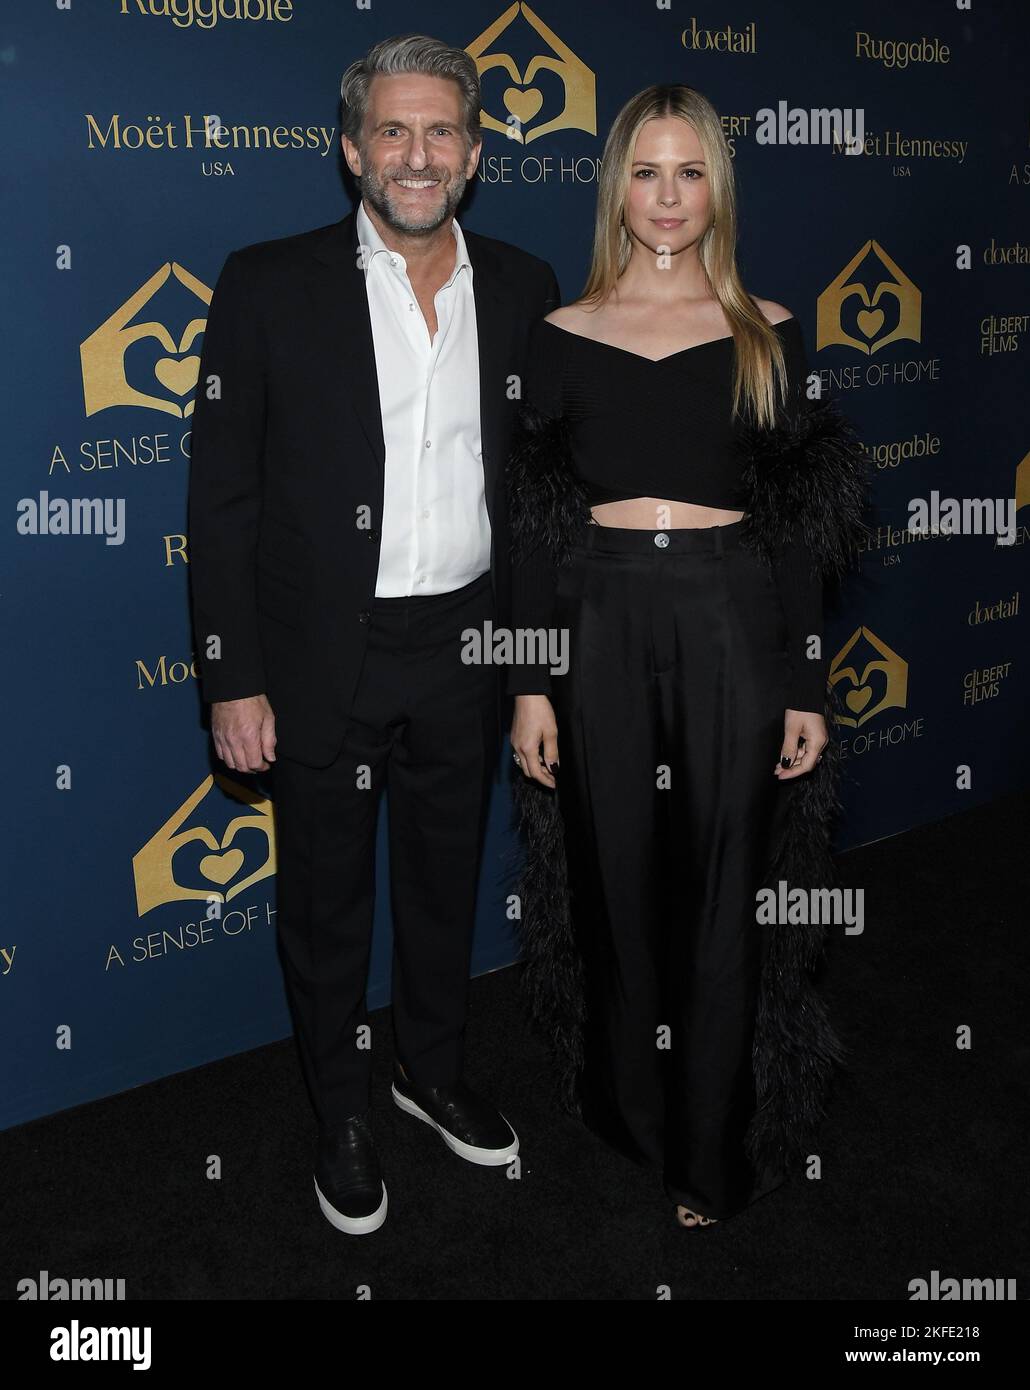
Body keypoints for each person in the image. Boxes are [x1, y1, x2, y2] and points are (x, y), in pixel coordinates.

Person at [188, 34, 559, 1235]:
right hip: (320, 657)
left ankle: (430, 1068)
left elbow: (543, 501)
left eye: (440, 131)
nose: (416, 155)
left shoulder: (522, 284)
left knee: (446, 882)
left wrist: (533, 667)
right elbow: (222, 499)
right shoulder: (265, 281)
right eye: (391, 132)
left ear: (474, 153)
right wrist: (232, 679)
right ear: (352, 149)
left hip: (469, 645)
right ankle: (341, 1106)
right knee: (328, 904)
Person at [507, 84, 868, 1228]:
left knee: (725, 894)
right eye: (646, 172)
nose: (667, 196)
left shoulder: (769, 328)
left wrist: (807, 682)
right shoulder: (558, 333)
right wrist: (526, 678)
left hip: (730, 618)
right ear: (617, 185)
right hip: (597, 620)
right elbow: (529, 528)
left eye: (690, 171)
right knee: (612, 880)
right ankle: (631, 1112)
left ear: (718, 187)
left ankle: (707, 1150)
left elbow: (801, 531)